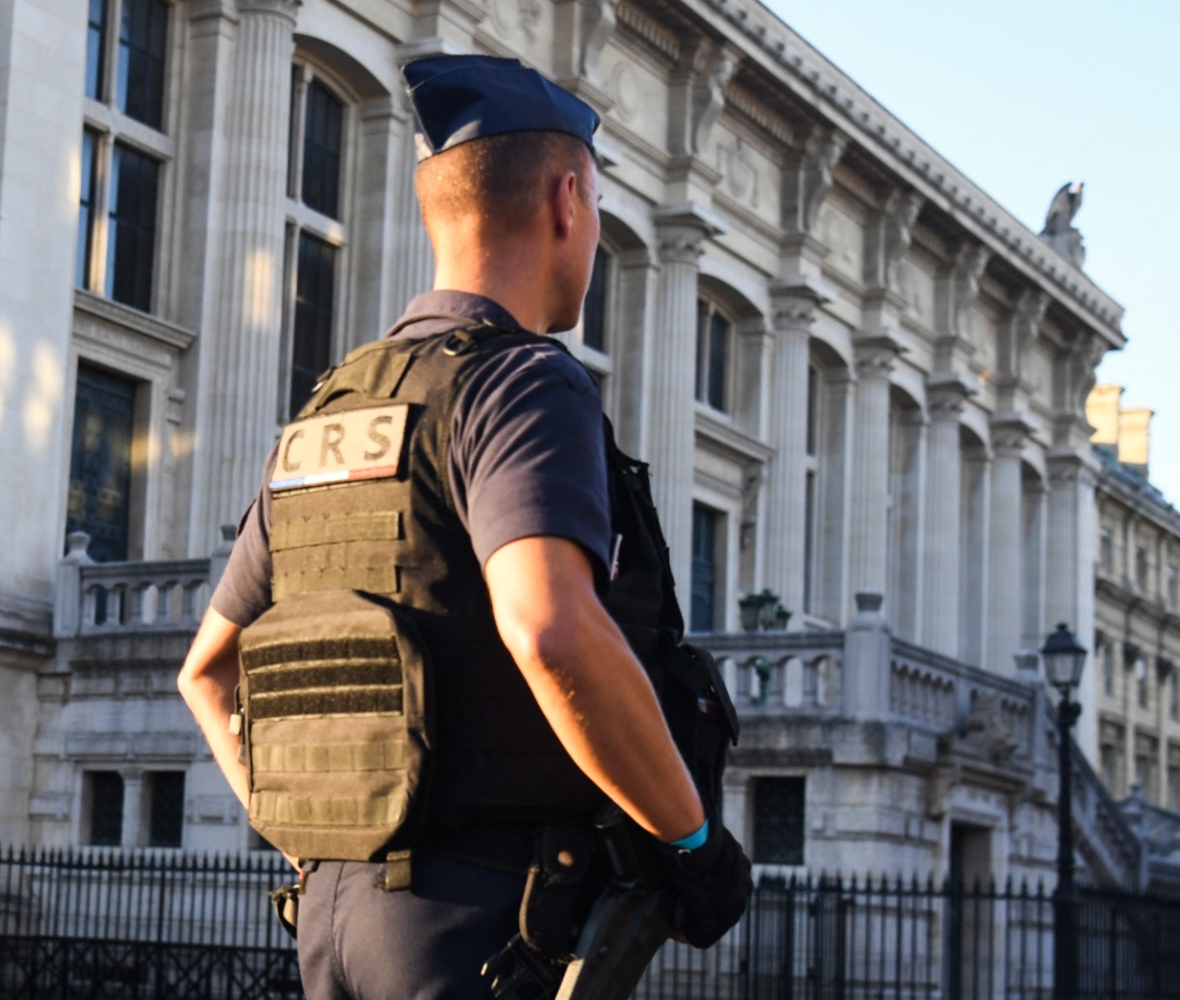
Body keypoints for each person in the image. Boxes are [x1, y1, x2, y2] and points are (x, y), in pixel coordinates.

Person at [176, 56, 750, 998]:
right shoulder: (523, 380)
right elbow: (551, 627)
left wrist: (320, 837)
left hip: (335, 923)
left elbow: (207, 672)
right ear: (567, 201)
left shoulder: (328, 413)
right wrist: (690, 839)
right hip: (487, 926)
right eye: (599, 206)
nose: (597, 234)